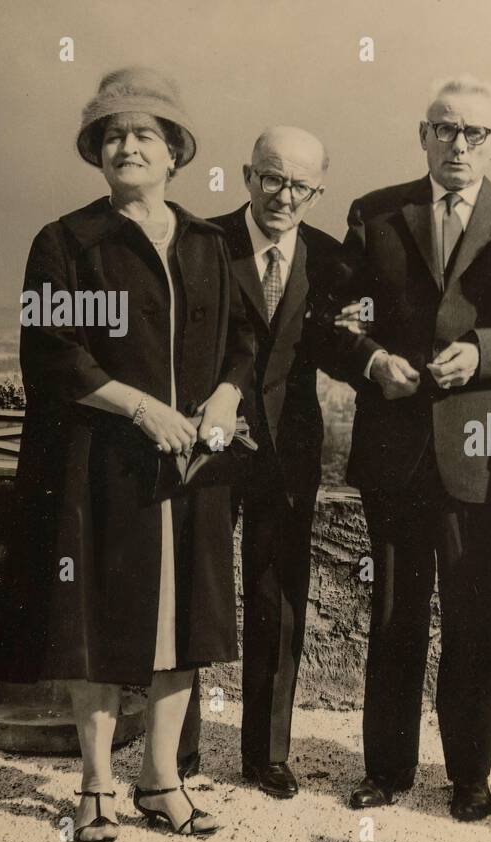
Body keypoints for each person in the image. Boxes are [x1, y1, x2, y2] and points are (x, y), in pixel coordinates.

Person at [0, 67, 254, 842]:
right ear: (96, 154)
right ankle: (97, 785)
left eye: (144, 133)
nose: (128, 146)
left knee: (183, 629)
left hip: (189, 472)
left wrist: (228, 396)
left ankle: (161, 780)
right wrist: (141, 408)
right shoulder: (69, 241)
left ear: (175, 151)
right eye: (113, 135)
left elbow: (245, 339)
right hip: (99, 470)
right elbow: (52, 353)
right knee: (100, 625)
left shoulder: (209, 243)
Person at [324, 76, 491, 821]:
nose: (458, 145)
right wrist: (372, 359)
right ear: (421, 133)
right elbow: (339, 315)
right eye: (445, 129)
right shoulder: (374, 214)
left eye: (474, 134)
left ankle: (469, 775)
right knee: (396, 610)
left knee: (470, 615)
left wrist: (485, 354)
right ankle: (388, 769)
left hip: (484, 446)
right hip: (394, 445)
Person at [177, 127, 358, 797]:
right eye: (272, 178)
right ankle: (180, 746)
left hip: (291, 451)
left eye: (301, 185)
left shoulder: (333, 260)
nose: (284, 196)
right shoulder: (202, 241)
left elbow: (343, 345)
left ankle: (266, 753)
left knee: (278, 596)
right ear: (248, 175)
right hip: (211, 442)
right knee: (196, 588)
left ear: (318, 191)